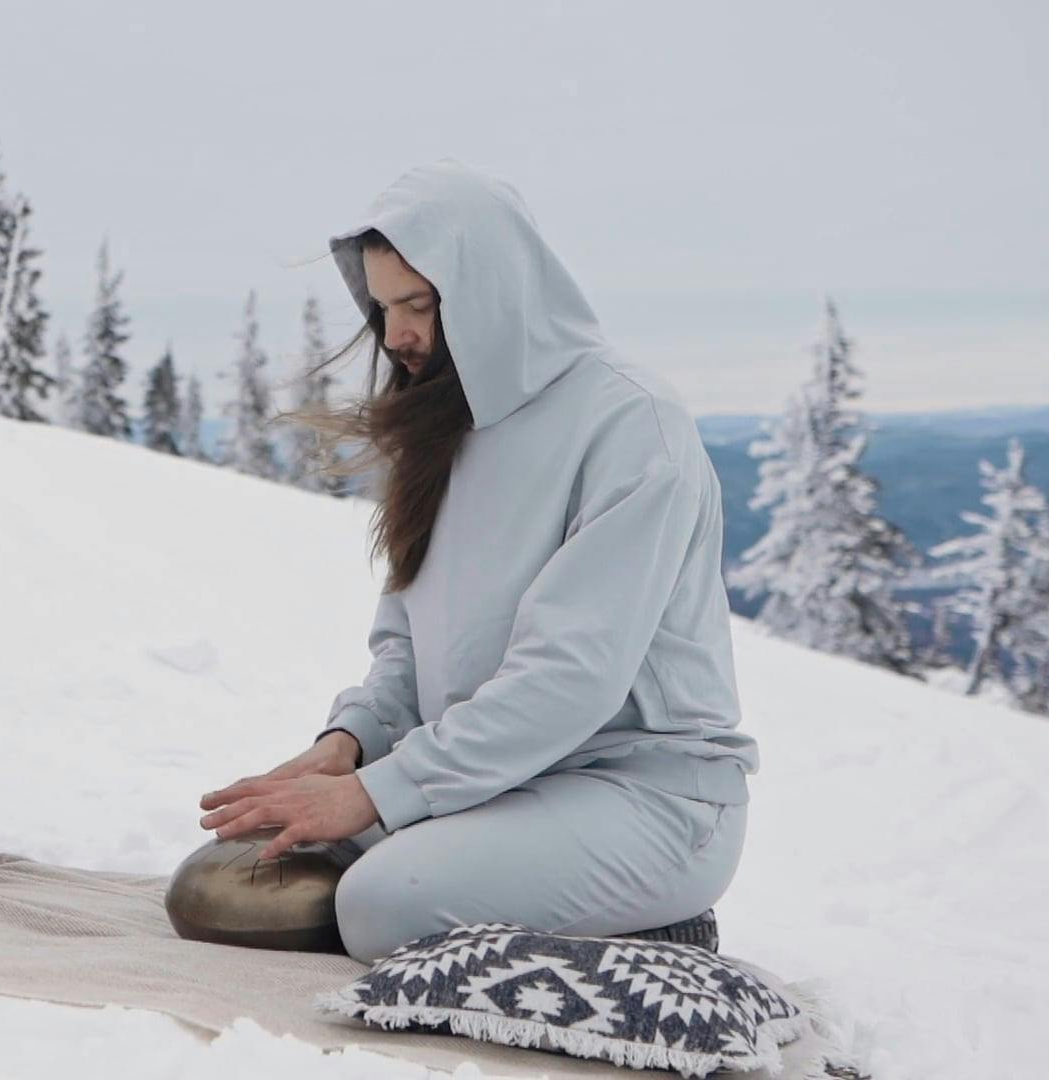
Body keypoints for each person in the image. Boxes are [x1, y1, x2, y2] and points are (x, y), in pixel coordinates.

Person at [197, 162, 759, 962]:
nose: (396, 337)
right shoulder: (445, 428)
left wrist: (375, 795)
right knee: (221, 887)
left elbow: (566, 681)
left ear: (493, 292)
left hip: (645, 797)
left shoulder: (632, 425)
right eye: (384, 308)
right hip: (487, 782)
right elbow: (406, 646)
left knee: (383, 904)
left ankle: (658, 934)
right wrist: (351, 744)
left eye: (418, 306)